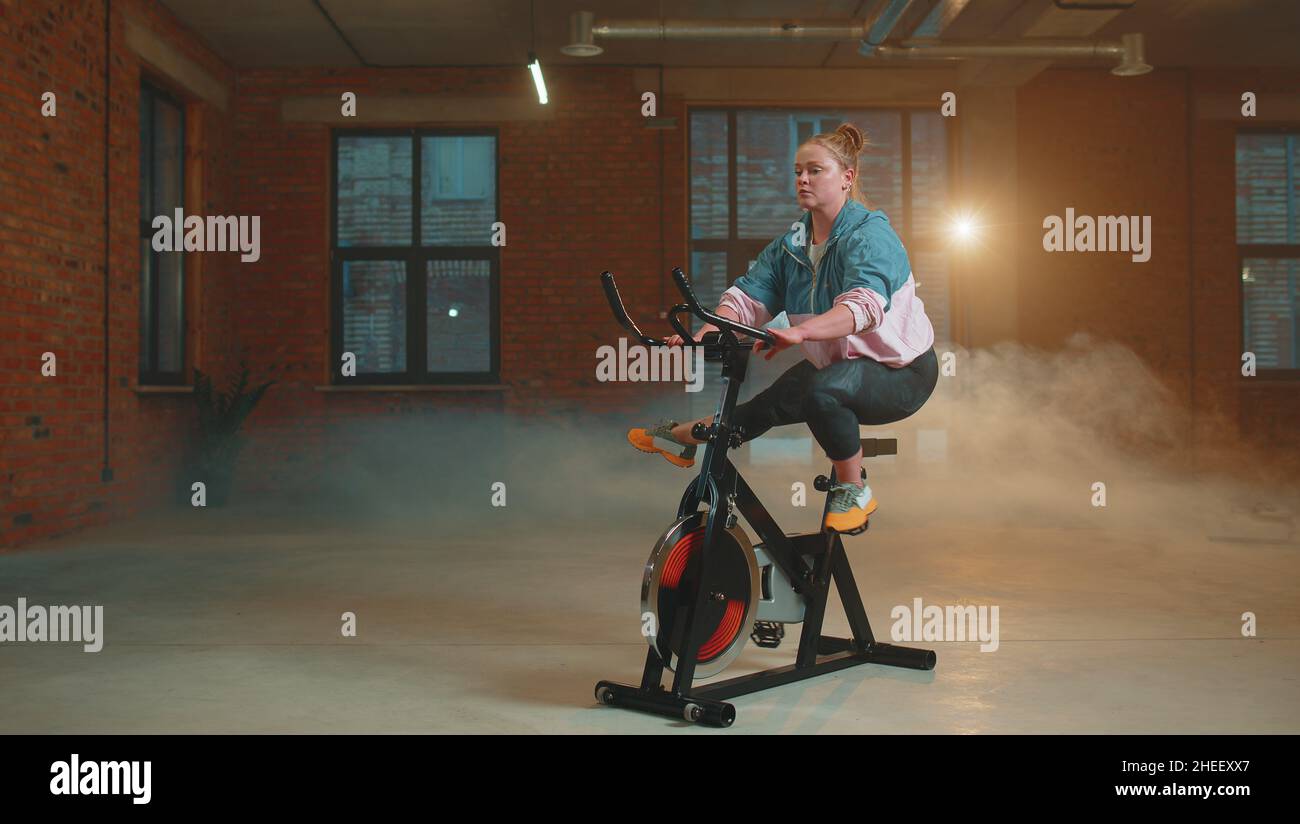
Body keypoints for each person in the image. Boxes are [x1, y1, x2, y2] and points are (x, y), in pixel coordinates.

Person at [628, 123, 939, 534]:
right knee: (766, 407)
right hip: (837, 367)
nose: (803, 179)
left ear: (847, 178)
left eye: (815, 170)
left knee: (821, 393)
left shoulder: (870, 235)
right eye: (797, 171)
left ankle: (855, 488)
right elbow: (748, 296)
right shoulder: (790, 245)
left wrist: (802, 334)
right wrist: (709, 330)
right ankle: (684, 438)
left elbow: (863, 308)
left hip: (901, 372)